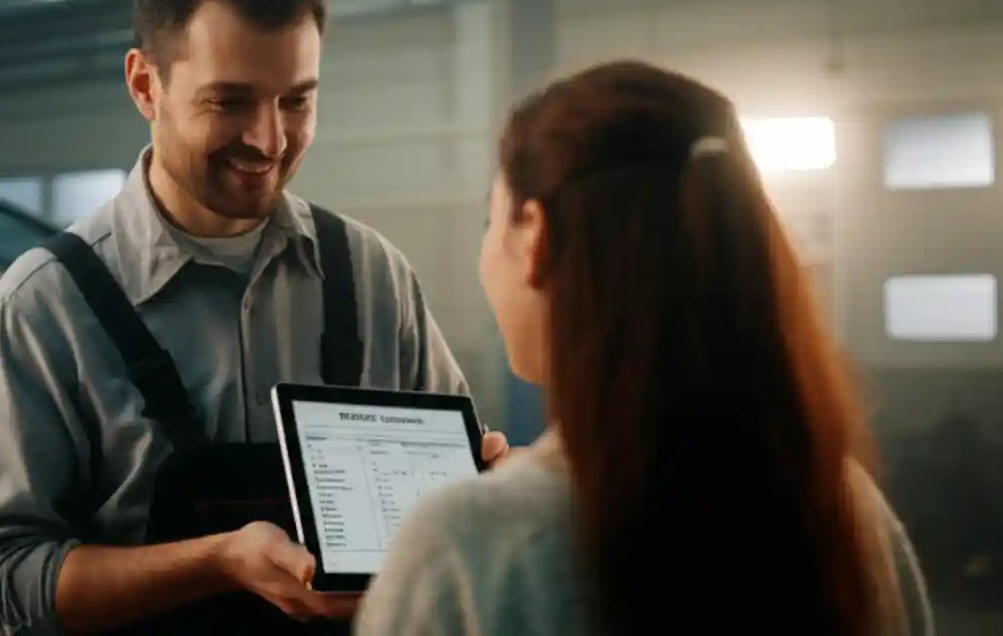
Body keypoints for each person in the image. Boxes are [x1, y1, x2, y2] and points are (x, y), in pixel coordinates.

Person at [0, 0, 509, 636]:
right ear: (144, 84)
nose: (270, 140)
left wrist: (485, 491)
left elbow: (448, 522)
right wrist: (215, 562)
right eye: (230, 102)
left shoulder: (373, 278)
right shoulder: (44, 306)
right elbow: (0, 587)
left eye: (297, 101)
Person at [354, 61, 934, 636]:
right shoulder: (849, 510)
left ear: (535, 236)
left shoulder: (471, 544)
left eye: (492, 220)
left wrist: (519, 500)